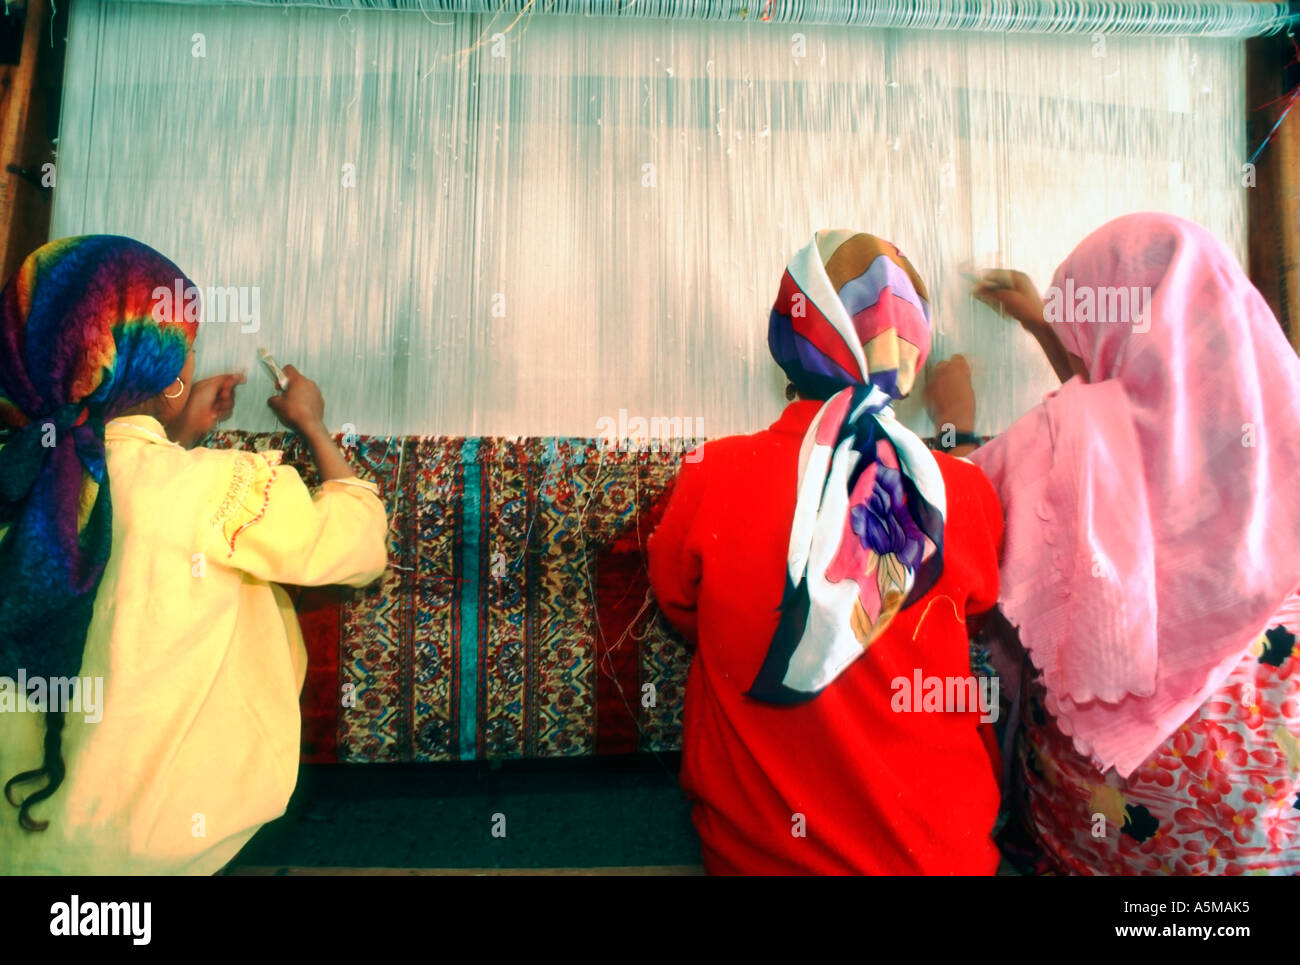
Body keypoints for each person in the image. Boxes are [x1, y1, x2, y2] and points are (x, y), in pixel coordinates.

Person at [925, 212, 1300, 874]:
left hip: (1122, 840)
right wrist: (1048, 323)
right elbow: (1144, 405)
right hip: (1276, 827)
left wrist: (952, 425)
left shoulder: (1060, 440)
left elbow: (960, 512)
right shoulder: (1276, 412)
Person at [0, 235, 388, 874]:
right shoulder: (219, 491)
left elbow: (115, 480)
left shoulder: (15, 479)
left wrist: (171, 427)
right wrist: (315, 426)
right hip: (151, 858)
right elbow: (357, 544)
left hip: (22, 850)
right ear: (173, 378)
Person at [648, 230, 1005, 875]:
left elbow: (680, 607)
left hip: (761, 860)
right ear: (914, 346)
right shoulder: (961, 493)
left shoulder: (713, 472)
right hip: (943, 860)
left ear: (790, 335)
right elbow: (973, 607)